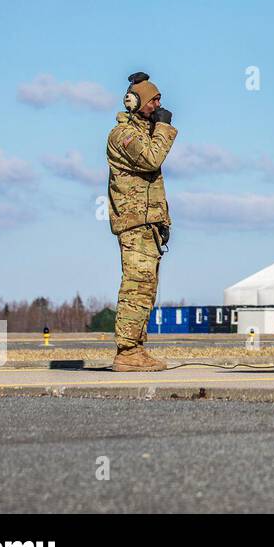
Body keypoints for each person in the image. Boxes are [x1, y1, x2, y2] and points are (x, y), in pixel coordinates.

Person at [106, 72, 177, 371]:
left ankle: (136, 348)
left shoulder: (143, 133)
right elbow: (152, 159)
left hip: (147, 223)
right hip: (134, 223)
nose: (158, 105)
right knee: (136, 286)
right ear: (135, 103)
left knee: (146, 286)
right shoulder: (122, 135)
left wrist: (163, 221)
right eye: (153, 100)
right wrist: (164, 126)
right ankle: (126, 352)